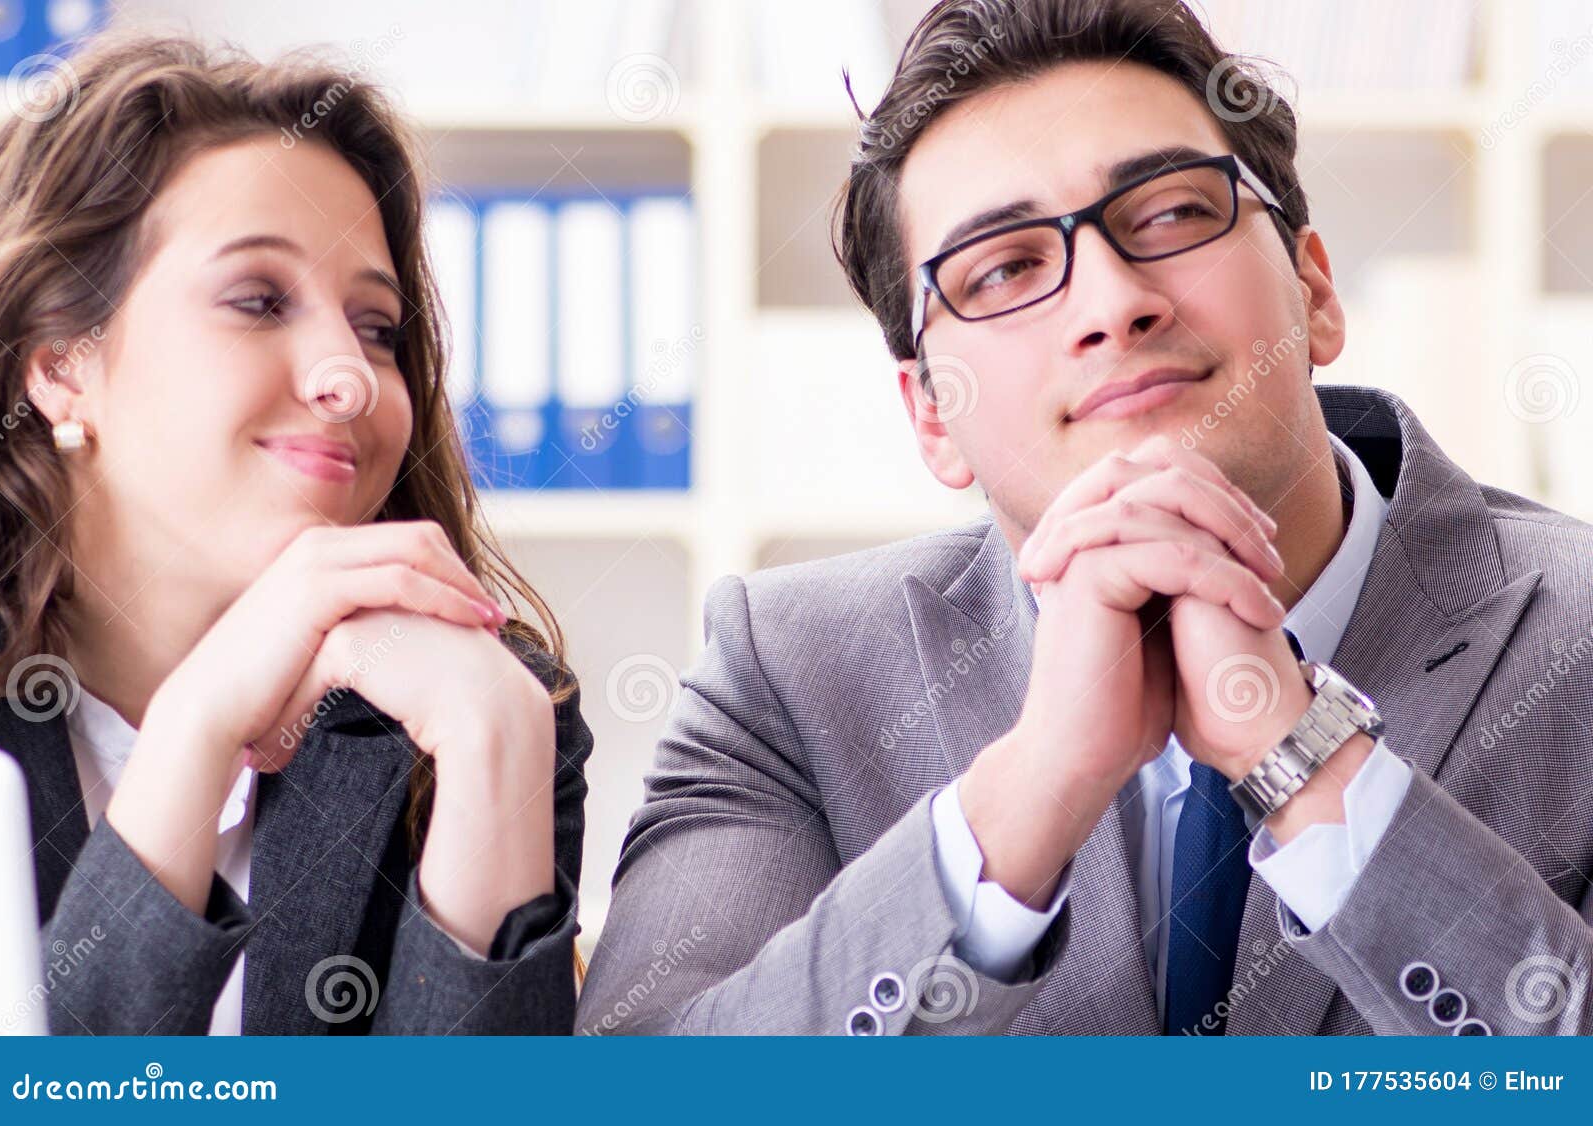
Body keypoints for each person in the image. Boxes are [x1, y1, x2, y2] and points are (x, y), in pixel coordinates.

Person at [580, 0, 1593, 1035]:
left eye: (1168, 214)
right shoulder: (788, 674)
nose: (1112, 301)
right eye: (1005, 269)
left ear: (1313, 290)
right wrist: (1030, 791)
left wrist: (1306, 761)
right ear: (932, 414)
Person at [0, 31, 590, 1035]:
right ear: (59, 365)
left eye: (377, 328)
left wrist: (495, 753)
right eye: (259, 301)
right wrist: (196, 729)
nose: (348, 377)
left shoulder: (473, 711)